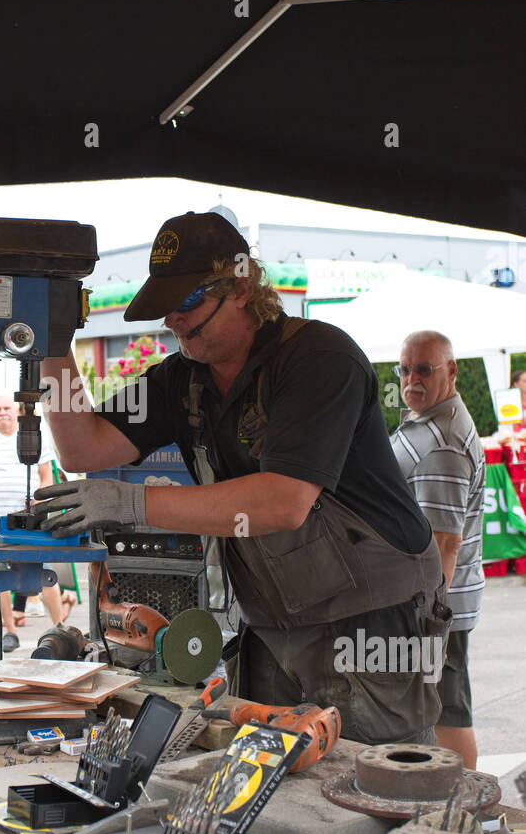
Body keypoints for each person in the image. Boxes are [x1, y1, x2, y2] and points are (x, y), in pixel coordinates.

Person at [33, 211, 450, 746]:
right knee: (268, 789)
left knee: (375, 790)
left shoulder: (319, 359)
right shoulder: (180, 380)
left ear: (243, 283)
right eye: (166, 308)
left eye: (189, 303)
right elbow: (82, 447)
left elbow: (283, 502)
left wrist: (133, 504)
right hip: (273, 625)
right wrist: (50, 338)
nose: (175, 322)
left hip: (368, 626)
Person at [390, 332, 485, 768]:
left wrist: (433, 626)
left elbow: (444, 544)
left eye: (424, 369)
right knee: (438, 712)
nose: (412, 379)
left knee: (448, 715)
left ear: (451, 371)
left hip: (437, 608)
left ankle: (468, 814)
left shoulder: (444, 443)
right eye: (405, 369)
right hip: (433, 603)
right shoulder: (429, 420)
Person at [0, 393, 74, 650]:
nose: (2, 412)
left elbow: (47, 476)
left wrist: (39, 501)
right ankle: (9, 631)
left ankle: (60, 628)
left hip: (29, 521)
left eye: (6, 408)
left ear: (16, 411)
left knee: (43, 574)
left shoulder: (35, 438)